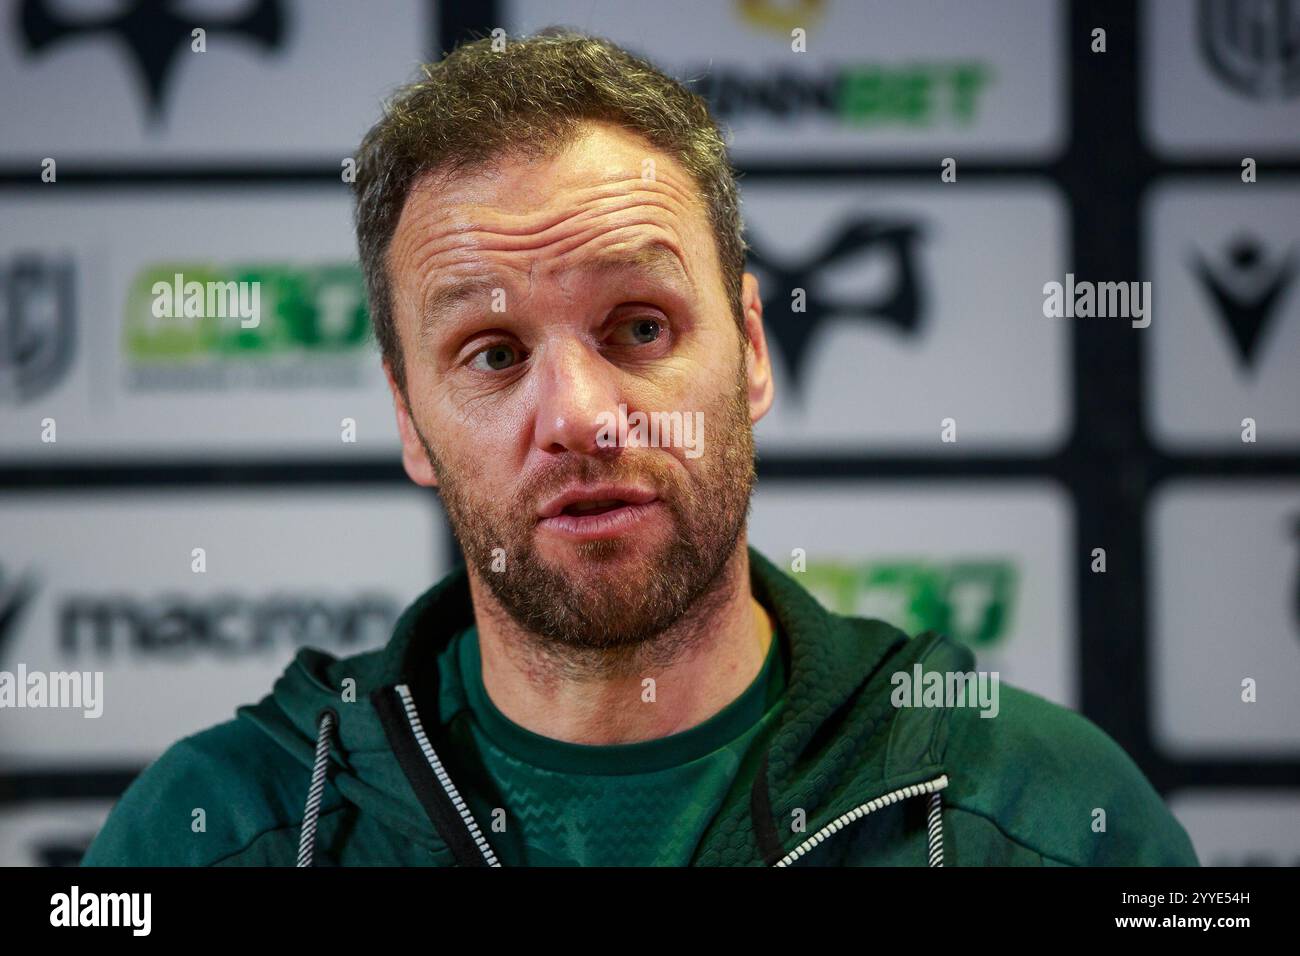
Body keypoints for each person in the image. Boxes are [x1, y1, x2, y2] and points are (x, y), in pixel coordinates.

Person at [82, 30, 1197, 867]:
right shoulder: (219, 828)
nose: (581, 414)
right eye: (490, 351)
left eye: (640, 327)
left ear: (753, 351)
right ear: (409, 421)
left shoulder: (1038, 810)